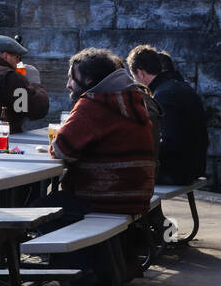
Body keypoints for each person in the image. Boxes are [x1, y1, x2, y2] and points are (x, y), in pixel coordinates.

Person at [51, 49, 156, 216]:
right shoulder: (133, 99)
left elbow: (60, 150)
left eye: (72, 77)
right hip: (136, 198)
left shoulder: (93, 104)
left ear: (88, 79)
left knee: (37, 207)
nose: (68, 84)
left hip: (102, 200)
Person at [126, 45, 208, 184]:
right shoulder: (180, 86)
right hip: (195, 166)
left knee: (125, 174)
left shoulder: (164, 95)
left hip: (178, 172)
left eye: (134, 77)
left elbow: (169, 142)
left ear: (140, 73)